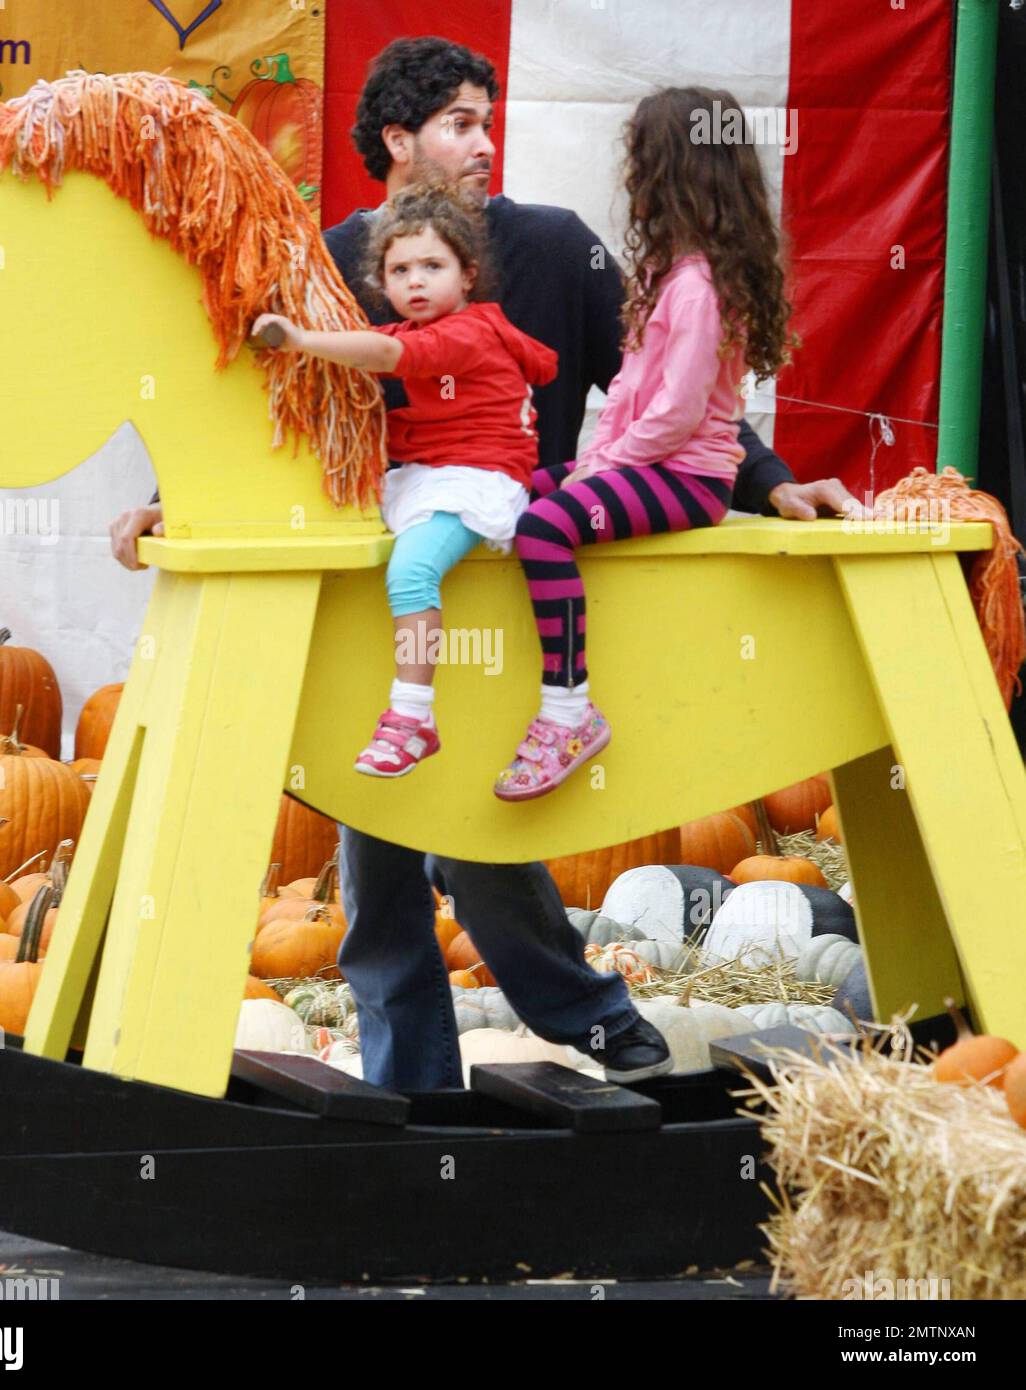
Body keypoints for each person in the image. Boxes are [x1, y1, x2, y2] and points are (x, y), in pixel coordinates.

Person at [111, 36, 859, 1090]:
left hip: (521, 567)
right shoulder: (328, 269)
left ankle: (591, 1022)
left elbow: (669, 391)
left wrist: (770, 478)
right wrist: (172, 503)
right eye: (461, 123)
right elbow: (268, 423)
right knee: (377, 838)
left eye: (487, 120)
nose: (484, 143)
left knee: (474, 820)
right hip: (390, 584)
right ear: (396, 139)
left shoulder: (552, 248)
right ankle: (411, 1091)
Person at [494, 86, 796, 801]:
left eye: (641, 160)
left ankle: (568, 710)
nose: (631, 177)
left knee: (542, 527)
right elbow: (630, 387)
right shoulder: (669, 275)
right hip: (647, 462)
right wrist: (589, 464)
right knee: (517, 490)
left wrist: (599, 465)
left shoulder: (699, 290)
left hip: (687, 479)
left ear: (675, 172)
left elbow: (678, 412)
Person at [249, 183, 558, 778]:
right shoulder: (428, 333)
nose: (415, 281)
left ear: (467, 276)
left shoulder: (465, 333)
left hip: (476, 477)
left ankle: (413, 712)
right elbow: (390, 350)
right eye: (400, 270)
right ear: (383, 283)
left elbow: (381, 358)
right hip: (431, 474)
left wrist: (301, 340)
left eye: (432, 266)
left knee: (412, 570)